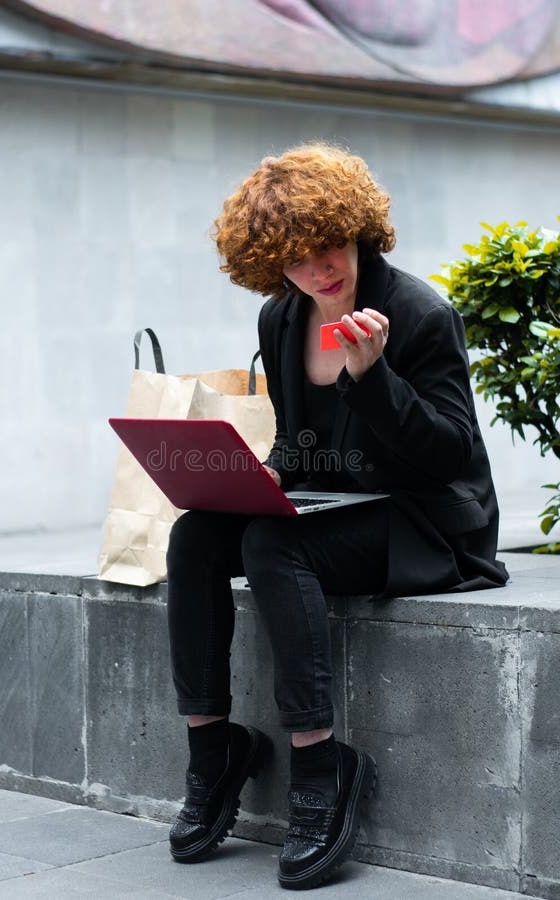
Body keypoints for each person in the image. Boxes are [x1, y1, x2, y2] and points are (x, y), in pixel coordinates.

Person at [166, 143, 508, 890]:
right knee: (195, 534)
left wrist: (372, 376)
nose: (320, 269)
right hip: (333, 506)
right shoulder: (282, 319)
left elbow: (450, 456)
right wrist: (259, 475)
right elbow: (299, 439)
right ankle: (213, 752)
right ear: (270, 267)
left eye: (328, 244)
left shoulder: (417, 313)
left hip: (425, 523)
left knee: (272, 543)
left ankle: (321, 765)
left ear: (356, 226)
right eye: (294, 260)